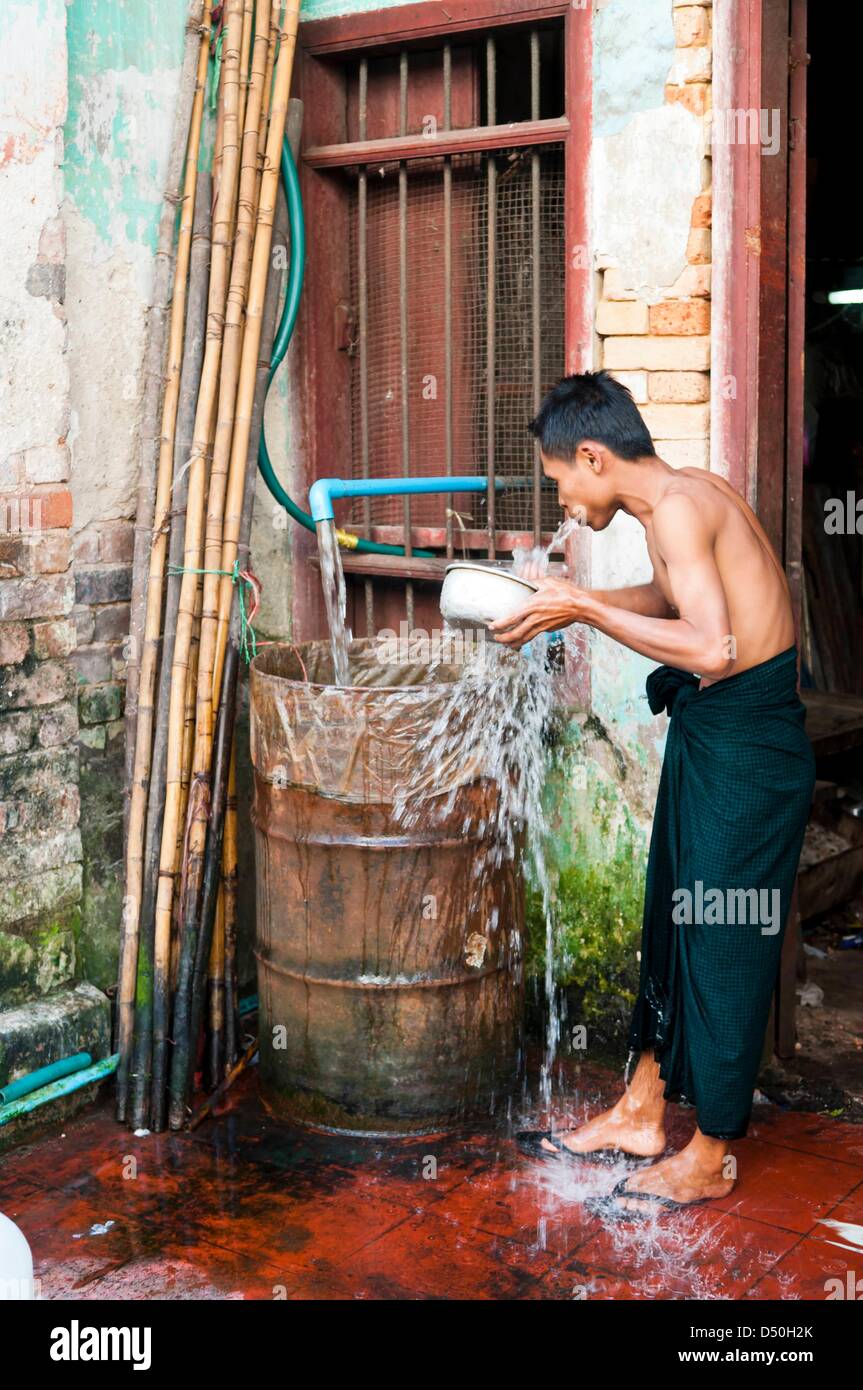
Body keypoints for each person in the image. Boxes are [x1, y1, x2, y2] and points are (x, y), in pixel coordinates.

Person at [490, 371, 815, 1217]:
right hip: (715, 739)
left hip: (747, 751)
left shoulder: (673, 508)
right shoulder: (679, 494)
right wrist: (576, 603)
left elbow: (710, 647)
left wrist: (584, 612)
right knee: (675, 922)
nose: (563, 500)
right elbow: (676, 603)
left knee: (721, 937)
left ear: (593, 456)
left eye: (561, 479)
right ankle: (641, 1110)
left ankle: (709, 1154)